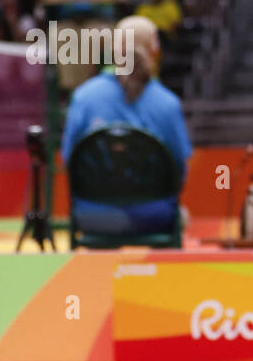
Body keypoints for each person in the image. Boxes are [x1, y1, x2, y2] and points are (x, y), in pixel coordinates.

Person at [61, 16, 191, 236]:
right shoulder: (168, 104)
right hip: (154, 216)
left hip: (92, 215)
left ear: (113, 49)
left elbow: (68, 158)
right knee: (183, 217)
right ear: (155, 49)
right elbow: (180, 170)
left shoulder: (84, 97)